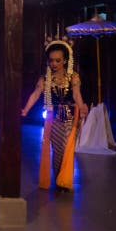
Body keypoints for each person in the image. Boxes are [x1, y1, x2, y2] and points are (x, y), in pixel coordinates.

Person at [21, 36, 89, 192]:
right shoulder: (45, 79)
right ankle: (59, 180)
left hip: (71, 118)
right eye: (51, 60)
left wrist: (82, 106)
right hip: (53, 119)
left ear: (65, 60)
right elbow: (36, 94)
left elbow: (77, 95)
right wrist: (26, 109)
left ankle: (65, 181)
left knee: (67, 148)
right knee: (57, 150)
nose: (54, 64)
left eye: (58, 60)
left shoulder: (73, 77)